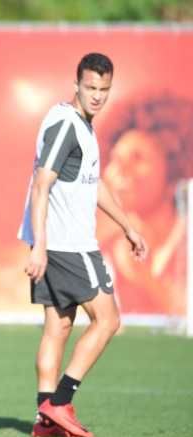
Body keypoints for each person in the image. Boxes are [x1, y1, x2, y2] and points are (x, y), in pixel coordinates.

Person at [17, 53, 148, 437]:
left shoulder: (82, 126)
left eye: (103, 90)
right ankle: (59, 401)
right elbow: (41, 184)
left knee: (57, 329)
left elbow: (93, 184)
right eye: (90, 87)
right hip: (68, 246)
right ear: (76, 84)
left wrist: (127, 225)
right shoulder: (66, 125)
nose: (96, 96)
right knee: (108, 320)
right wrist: (40, 247)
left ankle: (45, 423)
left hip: (58, 244)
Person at [99, 95, 193, 315]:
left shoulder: (187, 247)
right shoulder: (105, 253)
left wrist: (146, 280)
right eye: (115, 158)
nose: (119, 169)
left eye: (138, 157)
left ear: (173, 169)